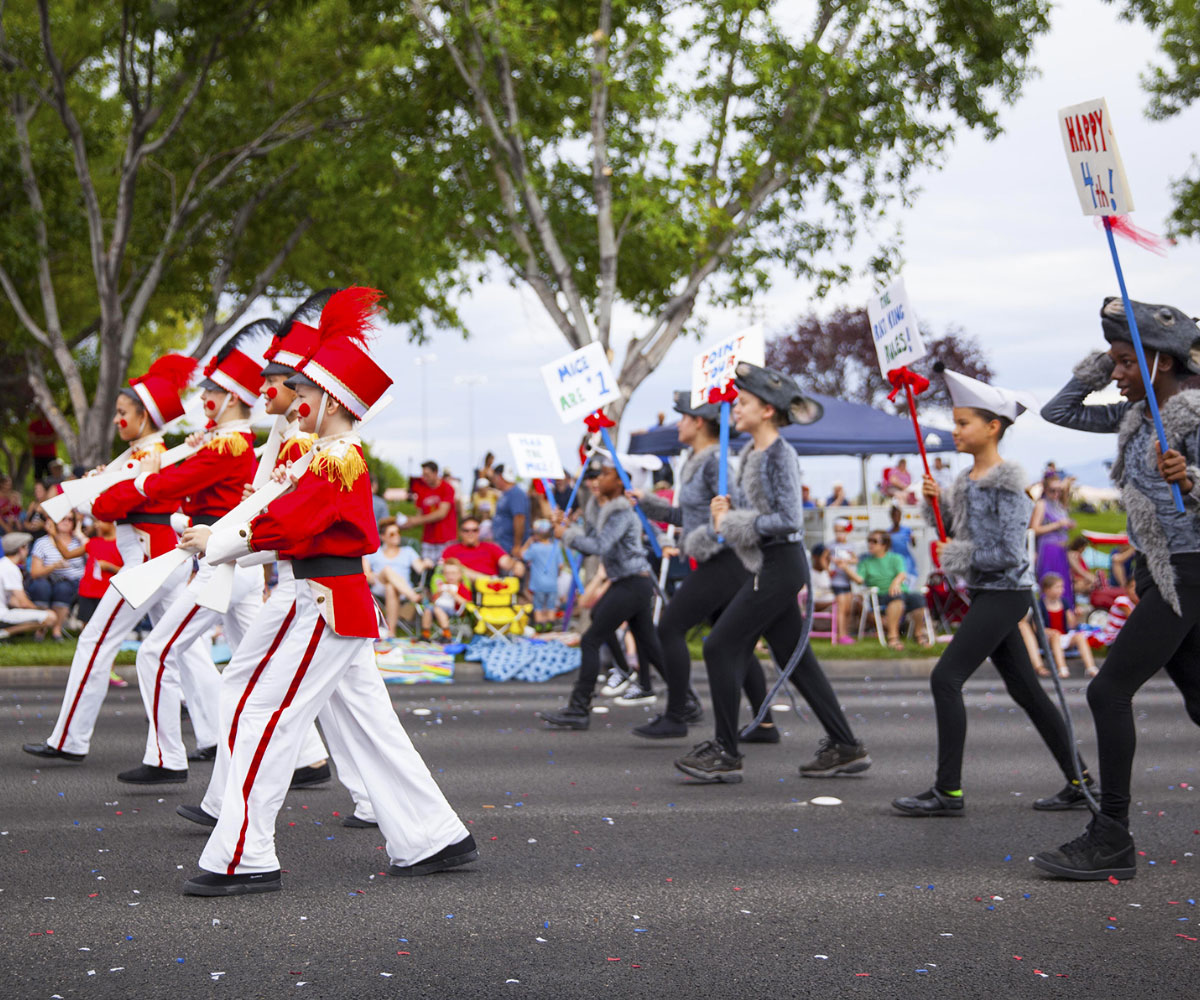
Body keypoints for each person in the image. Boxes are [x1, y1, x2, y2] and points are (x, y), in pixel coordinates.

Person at [178, 285, 475, 896]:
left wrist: (222, 541)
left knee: (261, 713)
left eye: (307, 392)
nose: (294, 401)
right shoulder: (323, 454)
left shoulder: (336, 458)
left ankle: (245, 854)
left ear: (334, 400)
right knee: (360, 724)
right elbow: (287, 523)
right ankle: (431, 835)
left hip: (318, 600)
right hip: (319, 598)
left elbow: (290, 525)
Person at [1034, 298, 1200, 881]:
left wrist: (1193, 477)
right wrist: (1103, 366)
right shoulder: (1134, 417)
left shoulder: (1195, 417)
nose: (1118, 373)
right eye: (1115, 363)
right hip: (1158, 568)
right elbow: (1059, 411)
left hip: (1190, 570)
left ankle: (1112, 838)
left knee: (1107, 692)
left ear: (1166, 361)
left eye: (1128, 363)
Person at [892, 365, 1091, 819]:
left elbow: (1003, 552)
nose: (955, 430)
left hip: (1007, 593)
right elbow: (953, 532)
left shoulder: (1010, 486)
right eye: (956, 422)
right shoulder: (964, 481)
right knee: (1029, 694)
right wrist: (933, 503)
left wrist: (956, 554)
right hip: (986, 593)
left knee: (945, 678)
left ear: (993, 427)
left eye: (963, 423)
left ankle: (949, 792)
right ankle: (1081, 781)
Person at [674, 363, 870, 783]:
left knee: (719, 646)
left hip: (780, 563)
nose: (734, 409)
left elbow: (788, 518)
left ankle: (726, 751)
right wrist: (726, 514)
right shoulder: (751, 454)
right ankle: (845, 745)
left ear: (766, 410)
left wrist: (734, 523)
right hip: (766, 562)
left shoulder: (780, 453)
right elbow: (756, 513)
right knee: (795, 661)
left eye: (742, 403)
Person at [23, 354, 217, 766]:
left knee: (96, 640)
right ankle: (215, 734)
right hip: (160, 561)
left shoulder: (152, 458)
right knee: (188, 650)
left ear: (144, 417)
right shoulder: (140, 457)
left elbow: (109, 508)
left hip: (147, 563)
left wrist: (92, 493)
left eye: (122, 412)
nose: (116, 420)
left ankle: (70, 738)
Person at [115, 329, 270, 785]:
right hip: (227, 559)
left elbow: (173, 485)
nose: (203, 397)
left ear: (232, 397)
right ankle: (306, 758)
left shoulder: (231, 444)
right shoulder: (220, 440)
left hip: (226, 563)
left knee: (155, 652)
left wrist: (142, 479)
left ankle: (167, 758)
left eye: (212, 391)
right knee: (254, 666)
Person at [632, 391, 775, 740]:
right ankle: (765, 723)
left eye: (682, 418)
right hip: (713, 558)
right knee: (737, 643)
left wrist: (718, 530)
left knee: (668, 628)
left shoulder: (716, 462)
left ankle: (677, 715)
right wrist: (647, 504)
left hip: (724, 559)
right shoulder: (696, 461)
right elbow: (692, 515)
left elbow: (736, 510)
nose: (677, 423)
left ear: (698, 423)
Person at [538, 453, 670, 731]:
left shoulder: (621, 509)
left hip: (633, 583)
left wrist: (568, 535)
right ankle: (685, 700)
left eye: (604, 475)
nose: (597, 480)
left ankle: (579, 707)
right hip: (629, 582)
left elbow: (600, 545)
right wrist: (567, 526)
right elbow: (592, 537)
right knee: (650, 645)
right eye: (595, 476)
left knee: (590, 640)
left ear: (621, 482)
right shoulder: (606, 507)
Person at [847, 531, 930, 649]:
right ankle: (893, 637)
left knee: (918, 599)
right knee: (897, 598)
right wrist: (845, 567)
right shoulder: (865, 561)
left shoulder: (896, 558)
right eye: (869, 541)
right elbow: (859, 580)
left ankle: (919, 634)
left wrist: (895, 583)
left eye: (874, 541)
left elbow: (902, 574)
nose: (870, 544)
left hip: (900, 592)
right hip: (880, 595)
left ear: (884, 545)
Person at [366, 518, 430, 637]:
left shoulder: (408, 551)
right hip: (380, 586)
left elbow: (420, 568)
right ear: (383, 537)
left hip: (400, 589)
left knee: (391, 587)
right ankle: (414, 597)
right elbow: (367, 576)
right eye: (392, 534)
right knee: (387, 570)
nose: (397, 536)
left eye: (398, 532)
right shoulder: (374, 552)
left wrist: (426, 563)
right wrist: (371, 575)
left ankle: (391, 632)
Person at [28, 514, 85, 639]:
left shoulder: (79, 541)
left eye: (71, 519)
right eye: (63, 518)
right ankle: (41, 626)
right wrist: (54, 566)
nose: (67, 522)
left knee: (63, 588)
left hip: (71, 583)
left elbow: (91, 549)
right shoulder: (42, 542)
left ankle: (56, 630)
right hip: (47, 579)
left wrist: (79, 533)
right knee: (41, 587)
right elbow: (34, 572)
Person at [1038, 572, 1098, 679]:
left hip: (1063, 636)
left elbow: (1072, 624)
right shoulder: (1041, 605)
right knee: (1055, 636)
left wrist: (1076, 615)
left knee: (1079, 636)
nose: (1061, 590)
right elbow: (1036, 627)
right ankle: (1062, 667)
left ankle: (1091, 667)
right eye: (1057, 587)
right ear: (1047, 589)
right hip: (1049, 639)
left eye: (1061, 587)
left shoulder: (1064, 603)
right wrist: (1048, 631)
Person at [0, 532, 59, 639]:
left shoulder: (3, 564)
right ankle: (4, 632)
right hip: (2, 614)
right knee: (51, 617)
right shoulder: (11, 568)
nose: (28, 551)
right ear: (20, 549)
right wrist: (40, 610)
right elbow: (23, 603)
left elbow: (12, 600)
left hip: (3, 611)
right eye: (26, 548)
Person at [1031, 476, 1076, 607]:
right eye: (1052, 490)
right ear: (1045, 489)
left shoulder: (1058, 505)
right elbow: (1034, 529)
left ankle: (1064, 614)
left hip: (1061, 550)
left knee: (1063, 585)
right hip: (1049, 550)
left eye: (1059, 490)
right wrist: (1058, 524)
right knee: (1051, 585)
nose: (1056, 494)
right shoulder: (1042, 504)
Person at [408, 461, 458, 562]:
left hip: (446, 538)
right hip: (428, 539)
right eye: (423, 475)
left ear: (435, 473)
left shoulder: (447, 488)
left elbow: (441, 513)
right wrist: (408, 522)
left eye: (427, 475)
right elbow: (420, 514)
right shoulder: (422, 490)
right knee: (427, 569)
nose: (424, 478)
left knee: (445, 570)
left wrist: (416, 520)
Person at [441, 516, 516, 583]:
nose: (470, 533)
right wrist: (485, 579)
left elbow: (505, 562)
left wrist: (515, 564)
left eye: (474, 530)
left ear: (479, 531)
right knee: (457, 569)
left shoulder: (490, 547)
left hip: (491, 589)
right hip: (464, 586)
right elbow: (442, 568)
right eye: (466, 530)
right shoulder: (451, 549)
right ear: (461, 532)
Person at [521, 519, 562, 631]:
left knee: (538, 606)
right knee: (551, 606)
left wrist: (528, 543)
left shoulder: (534, 548)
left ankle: (539, 627)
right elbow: (560, 566)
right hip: (552, 583)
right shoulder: (555, 547)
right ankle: (550, 626)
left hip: (538, 584)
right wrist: (557, 575)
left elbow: (523, 555)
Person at [420, 562, 469, 641]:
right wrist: (439, 593)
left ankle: (446, 634)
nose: (450, 576)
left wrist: (454, 594)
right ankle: (425, 634)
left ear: (460, 575)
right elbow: (434, 600)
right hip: (438, 607)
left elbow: (465, 602)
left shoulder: (461, 588)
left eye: (453, 573)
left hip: (453, 610)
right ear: (444, 575)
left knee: (437, 609)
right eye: (447, 573)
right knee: (427, 609)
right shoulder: (442, 586)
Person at [829, 517, 857, 644]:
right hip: (837, 582)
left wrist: (846, 562)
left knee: (847, 609)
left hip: (847, 581)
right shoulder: (831, 545)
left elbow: (855, 559)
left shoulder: (850, 546)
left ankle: (846, 632)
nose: (839, 534)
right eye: (836, 532)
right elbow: (824, 559)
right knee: (840, 609)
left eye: (841, 531)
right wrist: (828, 569)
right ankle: (841, 634)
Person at [490, 463, 529, 554]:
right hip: (503, 545)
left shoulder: (516, 493)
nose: (494, 481)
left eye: (494, 478)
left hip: (510, 547)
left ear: (500, 477)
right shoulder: (505, 494)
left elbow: (519, 518)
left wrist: (517, 545)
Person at [888, 504, 918, 579]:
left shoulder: (907, 530)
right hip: (894, 561)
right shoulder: (888, 532)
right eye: (894, 516)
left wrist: (913, 539)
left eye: (898, 516)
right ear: (891, 517)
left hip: (906, 560)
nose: (896, 518)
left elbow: (913, 545)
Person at [29, 411, 58, 481]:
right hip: (38, 455)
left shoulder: (52, 424)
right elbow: (32, 440)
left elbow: (56, 438)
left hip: (51, 454)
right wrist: (48, 438)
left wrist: (40, 438)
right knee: (38, 477)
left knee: (53, 476)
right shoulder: (33, 424)